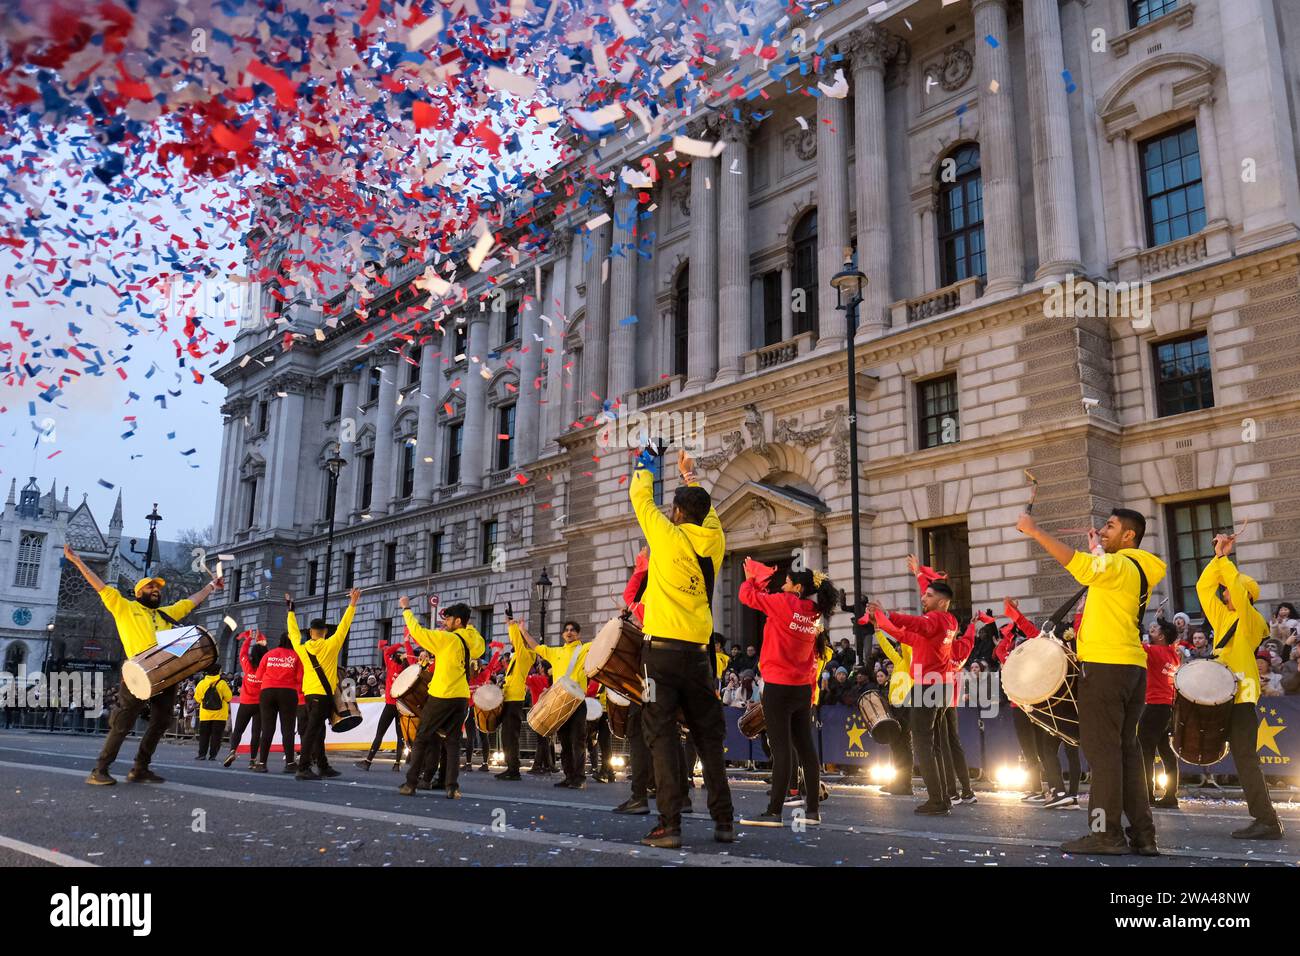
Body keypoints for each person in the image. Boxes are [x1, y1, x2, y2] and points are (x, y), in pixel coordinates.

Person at [1018, 508, 1164, 856]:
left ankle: (1105, 833)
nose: (1102, 530)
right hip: (1131, 667)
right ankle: (1143, 835)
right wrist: (1100, 550)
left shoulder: (1118, 567)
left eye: (1110, 527)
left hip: (1105, 667)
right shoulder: (1137, 568)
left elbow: (1081, 566)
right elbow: (1102, 568)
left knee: (1103, 756)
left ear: (1129, 536)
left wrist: (1035, 531)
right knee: (1125, 754)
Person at [629, 446, 734, 848]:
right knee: (708, 737)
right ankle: (724, 820)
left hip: (661, 654)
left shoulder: (666, 534)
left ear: (675, 511)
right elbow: (708, 513)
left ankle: (669, 824)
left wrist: (648, 458)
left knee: (662, 735)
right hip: (699, 655)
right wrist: (690, 477)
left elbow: (640, 496)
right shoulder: (716, 539)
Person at [63, 543, 222, 785]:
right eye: (150, 587)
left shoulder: (166, 614)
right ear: (139, 593)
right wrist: (78, 561)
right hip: (138, 673)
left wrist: (211, 586)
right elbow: (100, 586)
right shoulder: (125, 608)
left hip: (166, 675)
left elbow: (191, 601)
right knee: (122, 724)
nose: (155, 590)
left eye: (157, 588)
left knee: (161, 721)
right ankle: (100, 769)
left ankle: (140, 768)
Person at [1197, 533, 1284, 839]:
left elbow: (1233, 586)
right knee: (1240, 756)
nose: (1223, 596)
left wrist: (1225, 560)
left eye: (1230, 592)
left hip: (1241, 698)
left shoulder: (1252, 620)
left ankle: (1267, 820)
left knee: (1246, 757)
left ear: (1243, 595)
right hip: (1222, 696)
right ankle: (1265, 818)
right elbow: (1203, 588)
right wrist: (1217, 558)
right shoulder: (1225, 619)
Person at [737, 565, 836, 827]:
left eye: (787, 582)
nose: (782, 587)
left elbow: (747, 597)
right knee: (806, 748)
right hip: (802, 688)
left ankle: (774, 812)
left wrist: (750, 580)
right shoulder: (815, 614)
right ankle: (812, 811)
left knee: (781, 750)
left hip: (778, 686)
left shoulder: (783, 603)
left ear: (798, 588)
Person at [864, 563, 958, 816]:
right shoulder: (949, 621)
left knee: (923, 743)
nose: (923, 598)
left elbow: (916, 625)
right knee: (935, 743)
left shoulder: (935, 619)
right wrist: (882, 622)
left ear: (941, 601)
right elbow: (908, 636)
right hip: (942, 686)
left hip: (926, 686)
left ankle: (937, 801)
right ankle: (944, 796)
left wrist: (888, 614)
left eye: (928, 595)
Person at [397, 597, 486, 799]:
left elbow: (418, 633)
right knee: (453, 742)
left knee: (422, 737)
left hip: (442, 695)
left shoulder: (447, 639)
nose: (444, 623)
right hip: (461, 697)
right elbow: (479, 644)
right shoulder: (473, 639)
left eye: (448, 620)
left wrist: (406, 609)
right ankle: (452, 787)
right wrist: (469, 627)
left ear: (457, 621)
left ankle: (411, 783)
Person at [286, 588, 359, 781]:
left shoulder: (302, 648)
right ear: (325, 632)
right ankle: (303, 767)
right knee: (313, 730)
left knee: (318, 730)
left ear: (310, 632)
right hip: (323, 695)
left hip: (309, 694)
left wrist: (291, 612)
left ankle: (323, 765)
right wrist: (352, 604)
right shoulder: (331, 645)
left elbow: (293, 634)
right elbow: (344, 626)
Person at [518, 620, 590, 789]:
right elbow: (536, 647)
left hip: (577, 702)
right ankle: (569, 776)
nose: (569, 632)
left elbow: (604, 644)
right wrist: (522, 630)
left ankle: (579, 779)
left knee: (578, 742)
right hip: (559, 702)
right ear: (563, 634)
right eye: (566, 630)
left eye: (573, 630)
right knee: (564, 742)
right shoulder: (555, 651)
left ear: (578, 634)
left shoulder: (585, 649)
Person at [1139, 619, 1181, 809]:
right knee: (1166, 751)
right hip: (1168, 707)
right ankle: (1171, 795)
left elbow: (1133, 644)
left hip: (1154, 705)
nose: (1151, 631)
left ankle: (1146, 794)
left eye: (1155, 630)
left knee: (1145, 751)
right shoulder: (1173, 654)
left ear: (1162, 636)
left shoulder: (1154, 651)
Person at [361, 635, 413, 770]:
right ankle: (397, 764)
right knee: (400, 736)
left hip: (390, 704)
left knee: (380, 733)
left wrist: (400, 644)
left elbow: (387, 652)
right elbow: (412, 659)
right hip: (401, 706)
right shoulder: (407, 672)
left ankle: (368, 761)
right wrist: (406, 646)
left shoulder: (391, 666)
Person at [253, 633, 303, 772]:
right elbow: (300, 678)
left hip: (267, 691)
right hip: (288, 692)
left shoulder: (269, 654)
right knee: (287, 729)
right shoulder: (296, 655)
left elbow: (258, 676)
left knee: (267, 728)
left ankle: (262, 763)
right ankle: (290, 763)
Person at [498, 609, 537, 781]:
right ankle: (511, 766)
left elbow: (518, 643)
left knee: (510, 735)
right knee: (507, 735)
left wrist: (512, 625)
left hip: (514, 700)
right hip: (510, 698)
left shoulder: (526, 655)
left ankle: (513, 769)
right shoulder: (519, 657)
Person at [223, 631, 267, 768]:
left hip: (246, 703)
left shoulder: (247, 666)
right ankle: (253, 760)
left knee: (238, 730)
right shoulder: (266, 668)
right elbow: (269, 656)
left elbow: (242, 653)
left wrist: (248, 639)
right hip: (260, 704)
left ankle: (232, 750)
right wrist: (263, 643)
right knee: (256, 732)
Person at [194, 664, 231, 760]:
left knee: (204, 735)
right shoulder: (222, 683)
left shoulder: (202, 683)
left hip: (205, 714)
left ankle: (202, 754)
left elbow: (197, 699)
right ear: (217, 671)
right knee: (216, 736)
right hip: (220, 715)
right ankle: (213, 755)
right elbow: (229, 697)